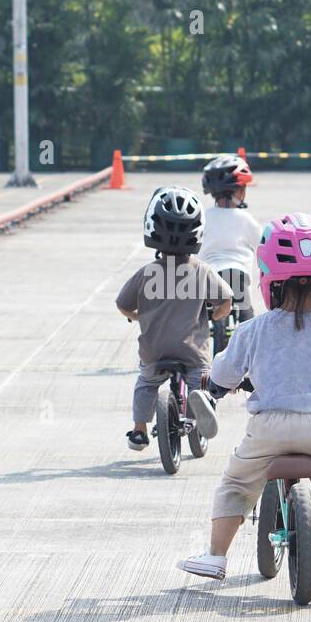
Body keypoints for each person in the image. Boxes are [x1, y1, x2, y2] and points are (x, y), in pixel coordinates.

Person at [181, 213, 311, 604]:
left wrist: (217, 388)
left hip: (268, 426)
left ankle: (216, 557)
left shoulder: (253, 329)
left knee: (236, 483)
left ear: (269, 279)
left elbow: (225, 370)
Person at [116, 187, 233, 451]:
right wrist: (215, 315)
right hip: (192, 352)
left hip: (154, 351)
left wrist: (135, 316)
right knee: (203, 378)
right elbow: (226, 301)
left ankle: (139, 431)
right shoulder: (202, 271)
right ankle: (201, 400)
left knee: (146, 382)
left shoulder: (146, 273)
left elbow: (122, 304)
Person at [198, 154, 261, 324]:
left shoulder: (203, 216)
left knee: (198, 315)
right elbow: (262, 244)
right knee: (248, 316)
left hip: (209, 275)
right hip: (238, 273)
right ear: (240, 191)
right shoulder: (245, 218)